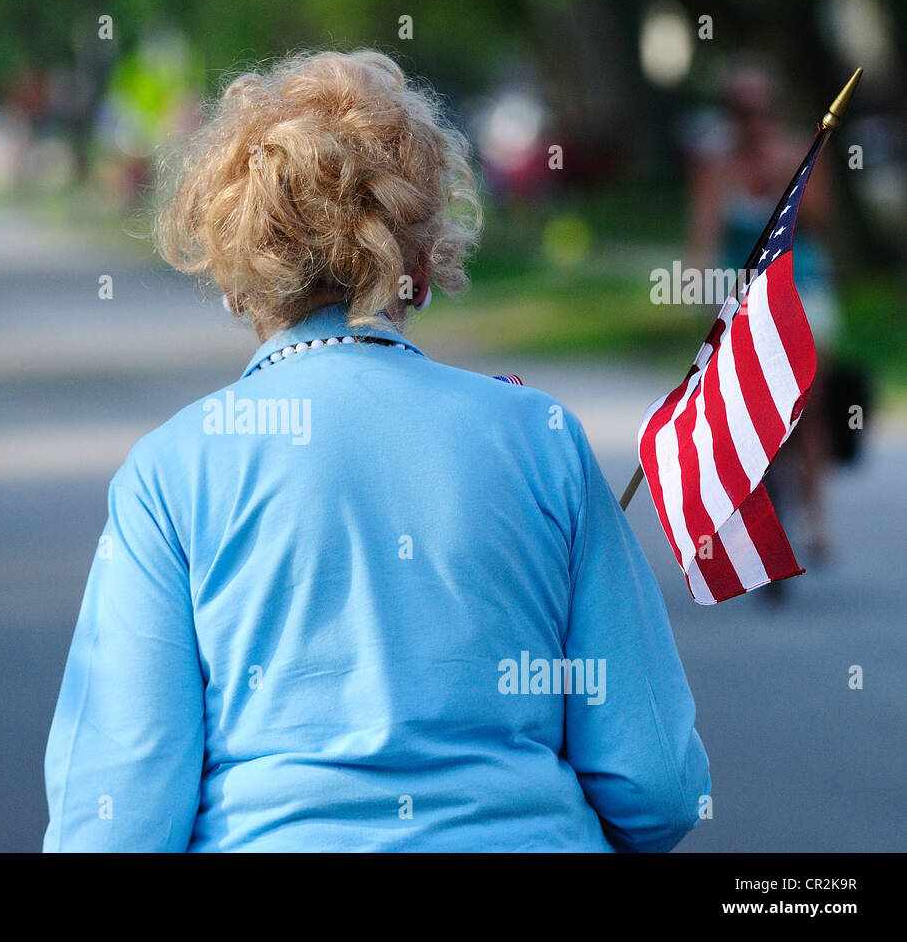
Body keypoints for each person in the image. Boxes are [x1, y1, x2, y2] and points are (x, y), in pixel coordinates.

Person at [43, 50, 709, 852]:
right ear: (422, 265)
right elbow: (659, 788)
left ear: (236, 278)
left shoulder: (169, 472)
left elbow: (115, 818)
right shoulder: (541, 439)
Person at [688, 66, 840, 564]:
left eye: (760, 112)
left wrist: (784, 183)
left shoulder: (799, 152)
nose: (752, 122)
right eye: (741, 112)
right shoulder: (716, 165)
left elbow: (819, 220)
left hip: (801, 285)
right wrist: (698, 291)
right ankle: (750, 517)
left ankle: (815, 515)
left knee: (808, 405)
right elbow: (704, 235)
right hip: (741, 292)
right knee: (745, 408)